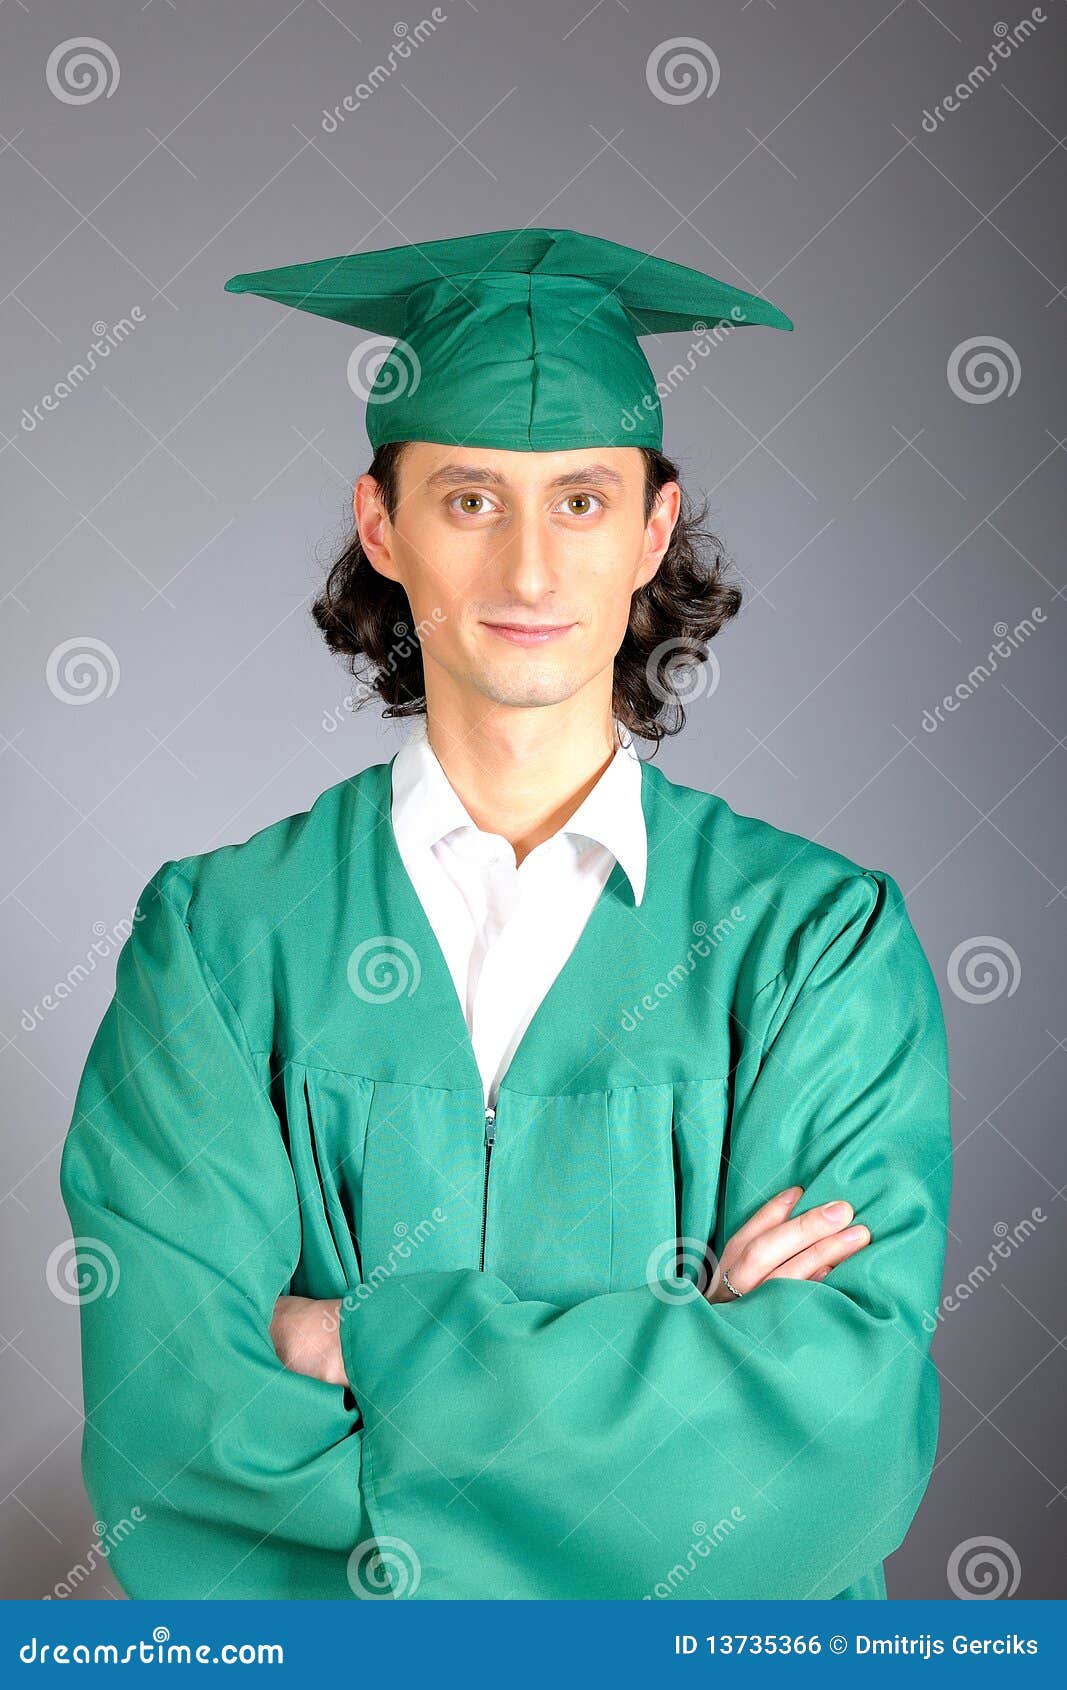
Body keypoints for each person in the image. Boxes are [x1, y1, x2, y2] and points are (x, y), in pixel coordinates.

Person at [60, 228, 952, 1602]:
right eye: (471, 499)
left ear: (653, 529)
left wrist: (357, 1346)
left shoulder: (813, 946)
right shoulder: (221, 945)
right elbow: (177, 1460)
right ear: (383, 526)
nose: (531, 571)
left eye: (581, 500)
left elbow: (828, 1456)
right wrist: (692, 1362)